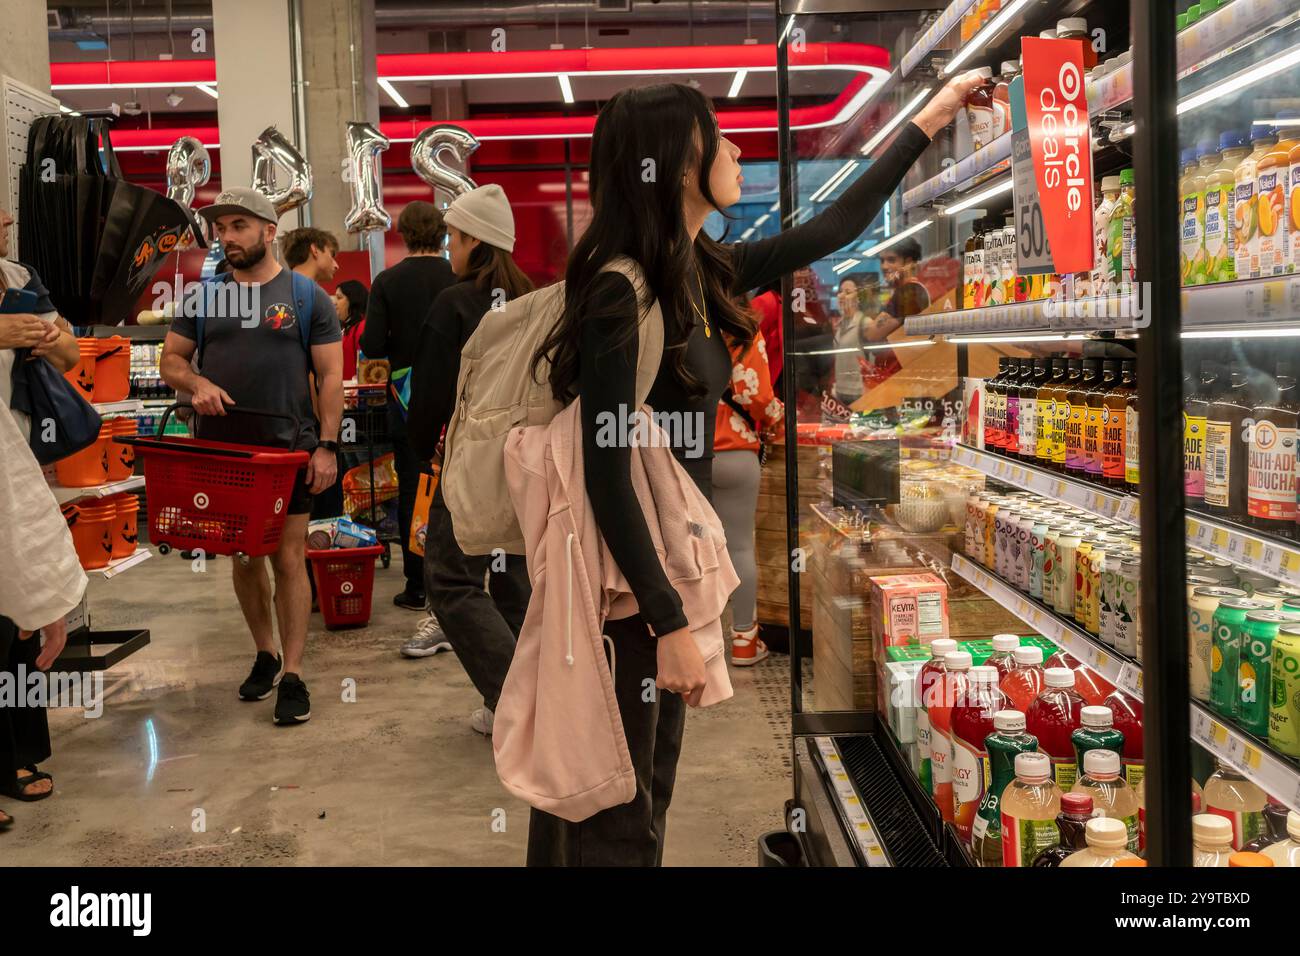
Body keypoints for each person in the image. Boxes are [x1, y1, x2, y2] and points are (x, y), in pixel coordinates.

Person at [526, 73, 979, 866]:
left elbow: (836, 224)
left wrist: (931, 118)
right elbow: (606, 475)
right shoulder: (619, 293)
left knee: (646, 793)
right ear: (678, 165)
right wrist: (666, 622)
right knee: (616, 812)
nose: (736, 152)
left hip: (668, 569)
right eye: (720, 139)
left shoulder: (698, 274)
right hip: (622, 590)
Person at [160, 187, 344, 725]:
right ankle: (265, 653)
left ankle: (294, 674)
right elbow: (172, 361)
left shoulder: (306, 297)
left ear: (269, 231)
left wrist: (327, 446)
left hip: (288, 450)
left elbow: (330, 376)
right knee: (243, 556)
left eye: (239, 226)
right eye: (221, 229)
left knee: (288, 558)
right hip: (224, 453)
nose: (227, 237)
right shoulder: (204, 297)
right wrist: (196, 384)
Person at [403, 185, 533, 735]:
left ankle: (519, 706)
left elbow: (430, 396)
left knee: (451, 582)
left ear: (475, 240)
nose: (449, 249)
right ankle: (523, 702)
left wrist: (421, 450)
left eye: (454, 238)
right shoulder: (535, 300)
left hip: (471, 465)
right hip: (529, 463)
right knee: (515, 582)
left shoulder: (453, 304)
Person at [0, 207, 84, 826]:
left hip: (14, 461)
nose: (6, 216)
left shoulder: (17, 277)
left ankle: (15, 755)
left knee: (17, 620)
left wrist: (51, 340)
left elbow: (73, 354)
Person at [361, 202, 456, 612]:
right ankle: (458, 581)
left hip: (406, 398)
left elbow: (372, 345)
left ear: (402, 235)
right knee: (459, 483)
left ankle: (418, 585)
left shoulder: (387, 281)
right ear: (444, 234)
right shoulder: (459, 276)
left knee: (413, 487)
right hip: (458, 393)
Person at [713, 332, 783, 665]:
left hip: (680, 450)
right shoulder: (741, 331)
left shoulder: (678, 320)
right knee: (739, 546)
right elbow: (758, 396)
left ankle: (692, 642)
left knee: (683, 547)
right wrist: (776, 417)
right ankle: (744, 641)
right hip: (734, 449)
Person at [859, 237, 931, 389]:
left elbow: (872, 334)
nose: (884, 266)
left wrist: (868, 326)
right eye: (882, 261)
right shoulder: (912, 289)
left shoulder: (908, 291)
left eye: (891, 260)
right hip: (904, 376)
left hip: (901, 378)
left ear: (908, 262)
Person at [332, 280, 369, 383]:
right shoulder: (346, 329)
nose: (334, 302)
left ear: (353, 301)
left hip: (355, 389)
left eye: (339, 298)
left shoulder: (361, 327)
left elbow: (365, 370)